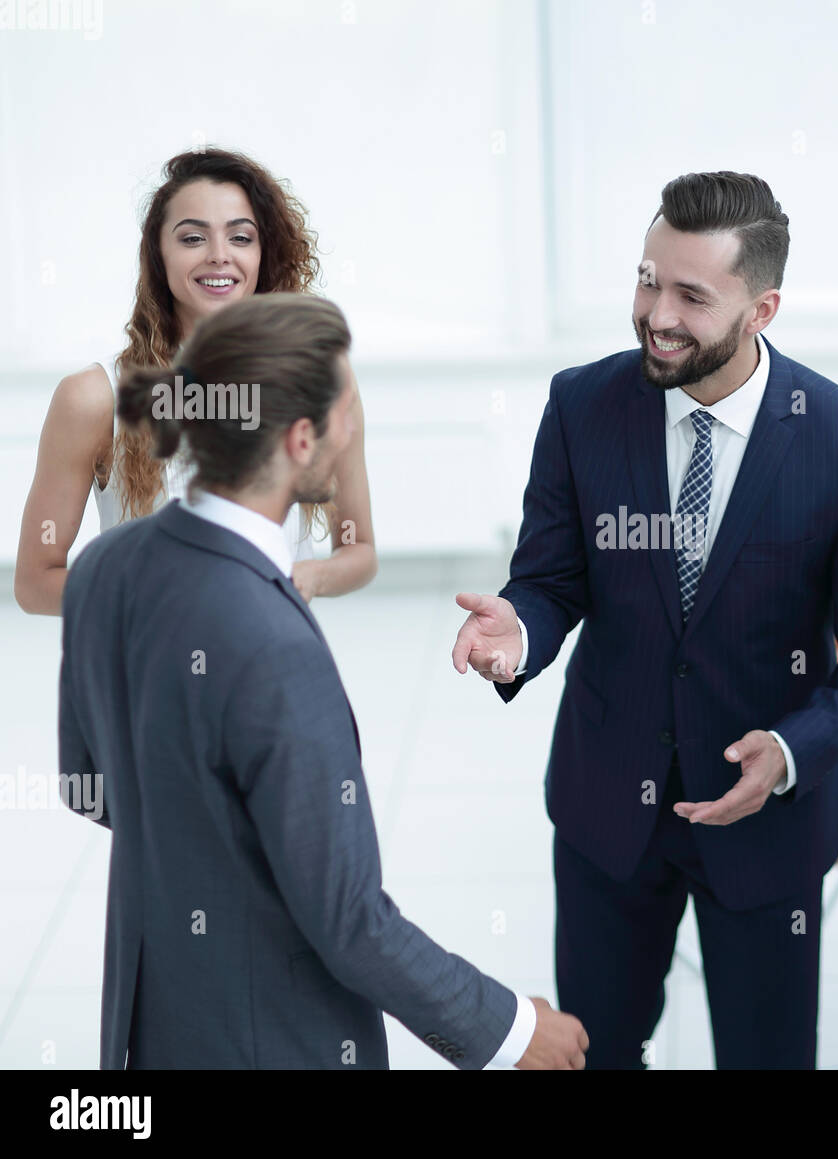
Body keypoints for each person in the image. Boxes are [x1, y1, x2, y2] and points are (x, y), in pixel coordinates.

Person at [453, 171, 838, 1068]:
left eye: (689, 295)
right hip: (606, 808)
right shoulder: (582, 405)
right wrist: (518, 633)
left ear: (763, 308)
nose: (654, 313)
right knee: (593, 1050)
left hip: (767, 826)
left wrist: (791, 750)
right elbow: (552, 580)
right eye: (646, 279)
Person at [59, 293, 587, 1070]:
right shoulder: (273, 643)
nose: (354, 426)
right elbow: (347, 919)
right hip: (271, 1041)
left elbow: (85, 786)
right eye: (347, 408)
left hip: (150, 1031)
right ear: (302, 439)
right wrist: (510, 1031)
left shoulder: (103, 566)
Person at [15, 148, 377, 615]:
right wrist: (150, 593)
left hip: (272, 664)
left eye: (241, 238)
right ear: (158, 254)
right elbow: (34, 581)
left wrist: (305, 577)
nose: (220, 257)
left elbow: (359, 549)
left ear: (263, 253)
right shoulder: (94, 398)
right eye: (192, 239)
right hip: (150, 672)